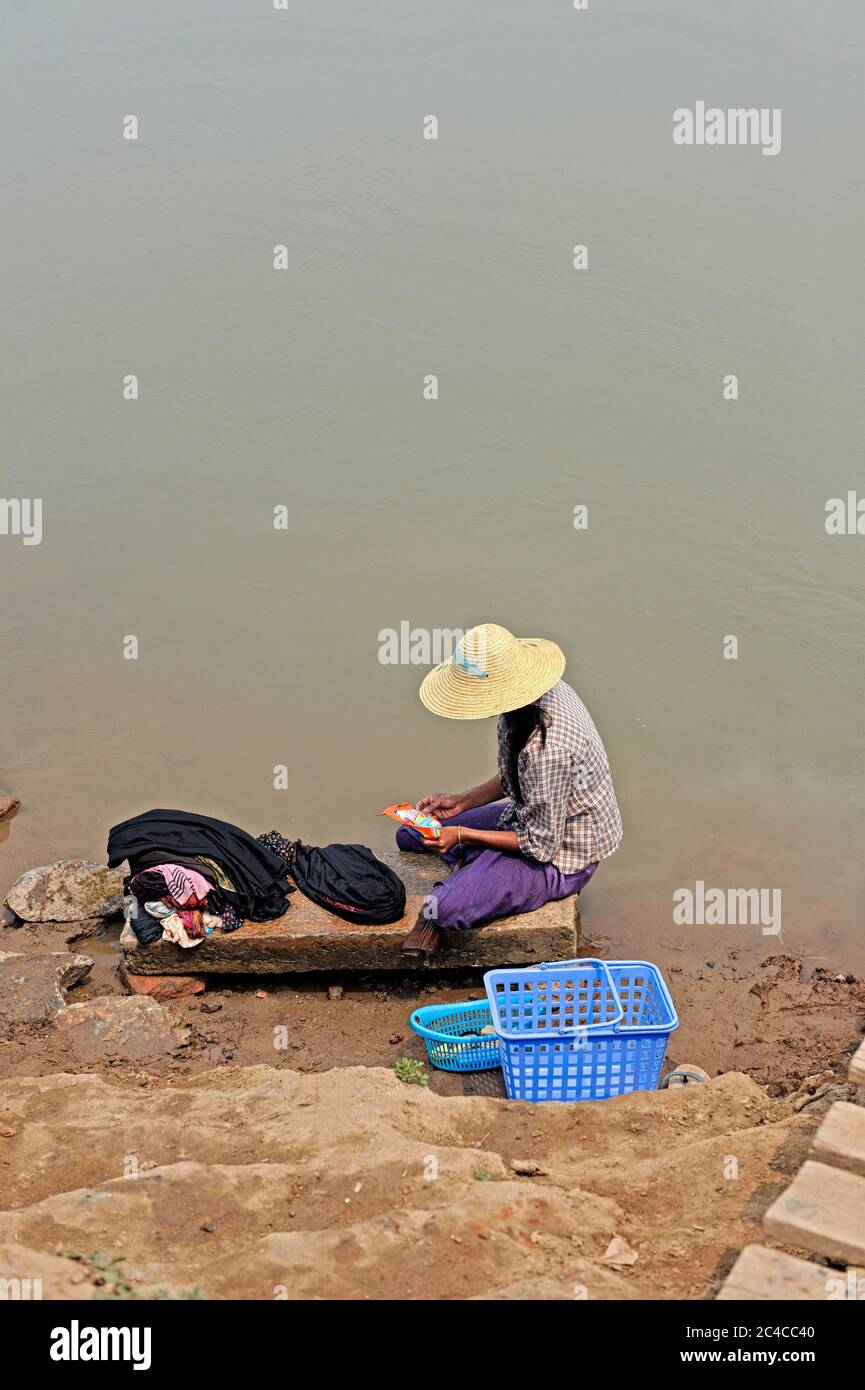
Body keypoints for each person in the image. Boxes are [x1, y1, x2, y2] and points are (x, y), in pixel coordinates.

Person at [399, 622, 622, 958]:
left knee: (438, 908)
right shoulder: (527, 703)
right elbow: (516, 777)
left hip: (563, 854)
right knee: (411, 832)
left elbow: (540, 846)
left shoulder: (548, 748)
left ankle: (477, 869)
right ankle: (483, 867)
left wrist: (463, 835)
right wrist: (462, 802)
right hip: (529, 819)